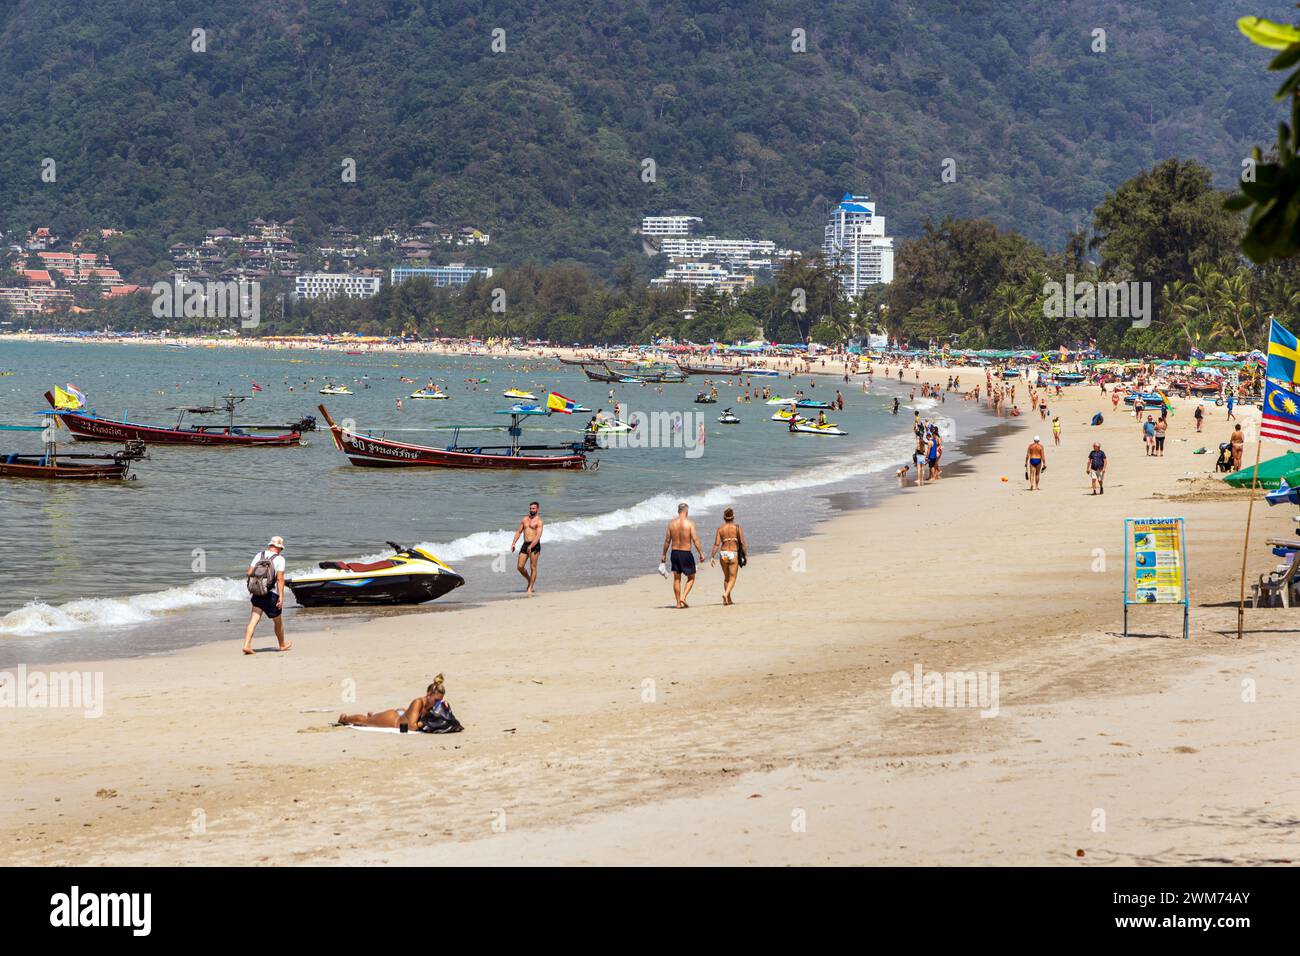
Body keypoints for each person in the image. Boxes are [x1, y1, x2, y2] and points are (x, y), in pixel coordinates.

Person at [338, 675, 461, 732]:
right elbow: (412, 726)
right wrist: (425, 723)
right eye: (437, 699)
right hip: (393, 720)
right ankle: (345, 718)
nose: (439, 702)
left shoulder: (435, 705)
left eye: (441, 699)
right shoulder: (418, 702)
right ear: (428, 695)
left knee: (373, 718)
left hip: (402, 714)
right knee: (365, 722)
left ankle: (374, 716)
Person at [242, 535, 291, 655]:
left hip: (258, 592)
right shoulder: (280, 559)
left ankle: (246, 645)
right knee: (278, 622)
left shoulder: (259, 555)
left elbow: (249, 573)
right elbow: (280, 579)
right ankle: (282, 645)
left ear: (270, 545)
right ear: (279, 548)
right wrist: (281, 597)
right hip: (271, 595)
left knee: (253, 620)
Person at [661, 502, 704, 609]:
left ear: (678, 511)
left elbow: (667, 540)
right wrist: (701, 553)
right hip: (685, 553)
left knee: (677, 579)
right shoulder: (689, 524)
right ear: (686, 512)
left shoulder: (671, 524)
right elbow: (695, 539)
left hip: (674, 553)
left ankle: (678, 604)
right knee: (691, 577)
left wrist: (663, 554)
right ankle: (683, 597)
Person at [709, 507, 748, 606]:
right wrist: (745, 555)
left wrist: (712, 556)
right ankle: (726, 594)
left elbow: (716, 544)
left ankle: (728, 599)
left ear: (724, 517)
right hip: (733, 553)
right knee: (733, 577)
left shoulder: (720, 529)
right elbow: (743, 543)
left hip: (724, 554)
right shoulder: (737, 527)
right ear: (733, 517)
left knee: (726, 578)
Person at [510, 500, 544, 595]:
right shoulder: (525, 519)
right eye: (530, 508)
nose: (531, 510)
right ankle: (529, 579)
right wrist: (513, 543)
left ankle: (530, 587)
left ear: (537, 509)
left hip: (534, 545)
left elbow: (538, 536)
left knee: (533, 567)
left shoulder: (539, 521)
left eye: (533, 508)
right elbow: (518, 532)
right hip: (525, 545)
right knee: (520, 567)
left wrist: (531, 546)